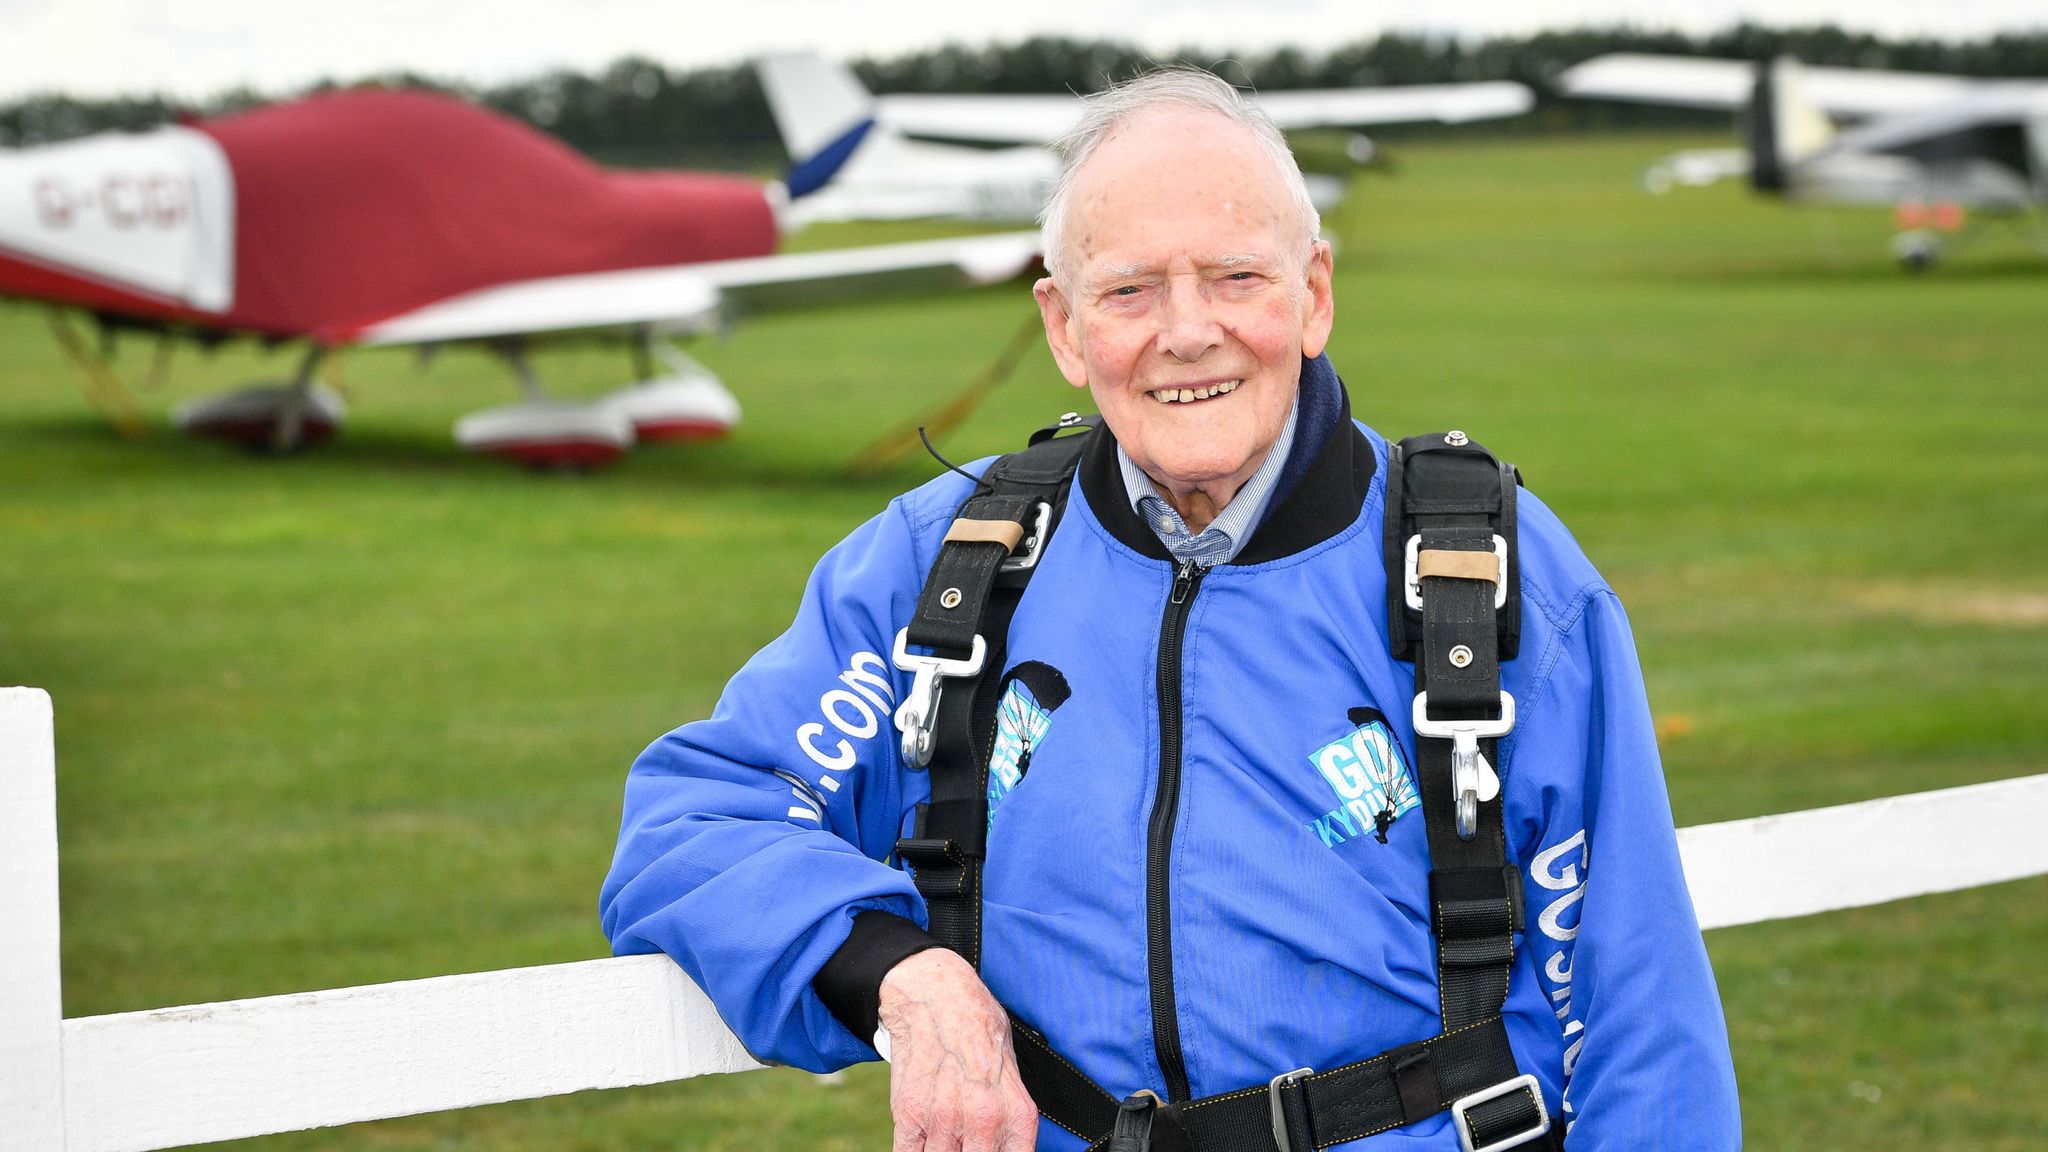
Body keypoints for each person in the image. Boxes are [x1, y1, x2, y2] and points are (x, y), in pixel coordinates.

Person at [602, 68, 1740, 1152]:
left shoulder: (1481, 576)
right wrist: (903, 977)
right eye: (1129, 291)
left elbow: (1634, 1002)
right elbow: (694, 827)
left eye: (1235, 277)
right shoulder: (944, 568)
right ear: (1062, 327)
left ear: (1314, 295)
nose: (1185, 332)